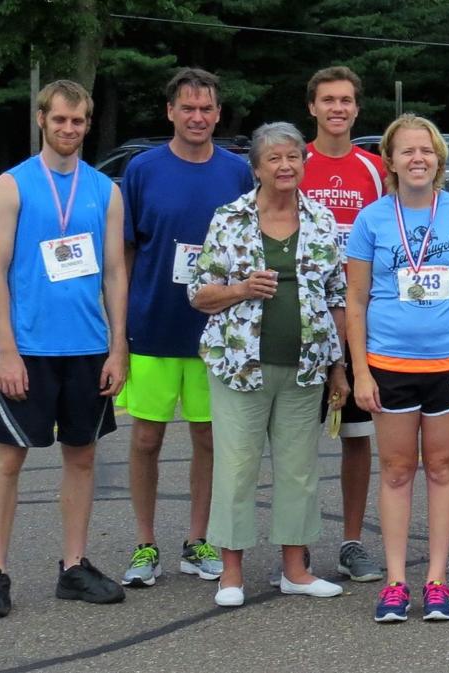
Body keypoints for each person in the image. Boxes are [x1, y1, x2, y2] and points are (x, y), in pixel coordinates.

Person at [0, 80, 128, 619]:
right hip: (30, 348)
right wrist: (7, 351)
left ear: (87, 123)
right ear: (42, 119)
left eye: (78, 121)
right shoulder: (12, 186)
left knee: (82, 457)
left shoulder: (105, 190)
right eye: (59, 119)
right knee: (9, 459)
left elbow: (114, 271)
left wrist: (118, 346)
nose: (69, 129)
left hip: (87, 348)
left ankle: (74, 566)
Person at [188, 122, 348, 608]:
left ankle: (295, 569)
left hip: (306, 368)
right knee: (236, 468)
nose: (285, 166)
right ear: (256, 168)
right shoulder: (229, 218)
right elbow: (199, 293)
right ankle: (230, 573)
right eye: (274, 159)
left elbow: (337, 295)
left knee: (299, 470)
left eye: (293, 157)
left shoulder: (322, 221)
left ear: (304, 163)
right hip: (239, 367)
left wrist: (339, 367)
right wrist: (240, 289)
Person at [344, 114, 449, 622]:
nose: (418, 159)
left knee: (445, 467)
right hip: (389, 362)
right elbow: (357, 299)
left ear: (439, 159)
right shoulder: (371, 220)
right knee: (398, 469)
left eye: (426, 151)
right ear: (390, 160)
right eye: (407, 151)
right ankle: (394, 583)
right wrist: (361, 372)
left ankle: (436, 580)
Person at [119, 67, 254, 588]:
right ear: (170, 111)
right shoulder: (142, 169)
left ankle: (198, 539)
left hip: (216, 333)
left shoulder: (236, 172)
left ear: (218, 114)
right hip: (152, 327)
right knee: (147, 438)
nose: (197, 117)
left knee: (207, 438)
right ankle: (145, 543)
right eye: (187, 108)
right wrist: (121, 326)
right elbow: (127, 251)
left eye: (206, 109)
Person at [298, 65, 386, 584]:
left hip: (359, 325)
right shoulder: (292, 161)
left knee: (357, 436)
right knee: (295, 442)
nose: (337, 108)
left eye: (346, 100)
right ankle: (298, 541)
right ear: (312, 107)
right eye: (328, 99)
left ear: (356, 108)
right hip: (301, 327)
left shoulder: (375, 168)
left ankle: (351, 542)